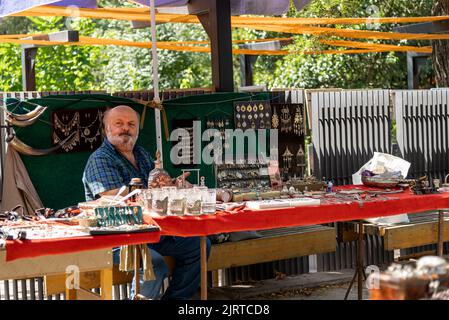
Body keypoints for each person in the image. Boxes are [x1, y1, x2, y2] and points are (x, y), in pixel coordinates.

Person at [82, 105, 211, 300]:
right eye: (119, 124)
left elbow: (157, 184)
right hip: (118, 236)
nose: (126, 128)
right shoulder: (100, 159)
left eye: (131, 124)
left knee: (198, 245)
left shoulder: (141, 154)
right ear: (106, 128)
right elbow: (114, 196)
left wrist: (174, 185)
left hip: (150, 231)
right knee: (155, 264)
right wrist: (158, 191)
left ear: (137, 130)